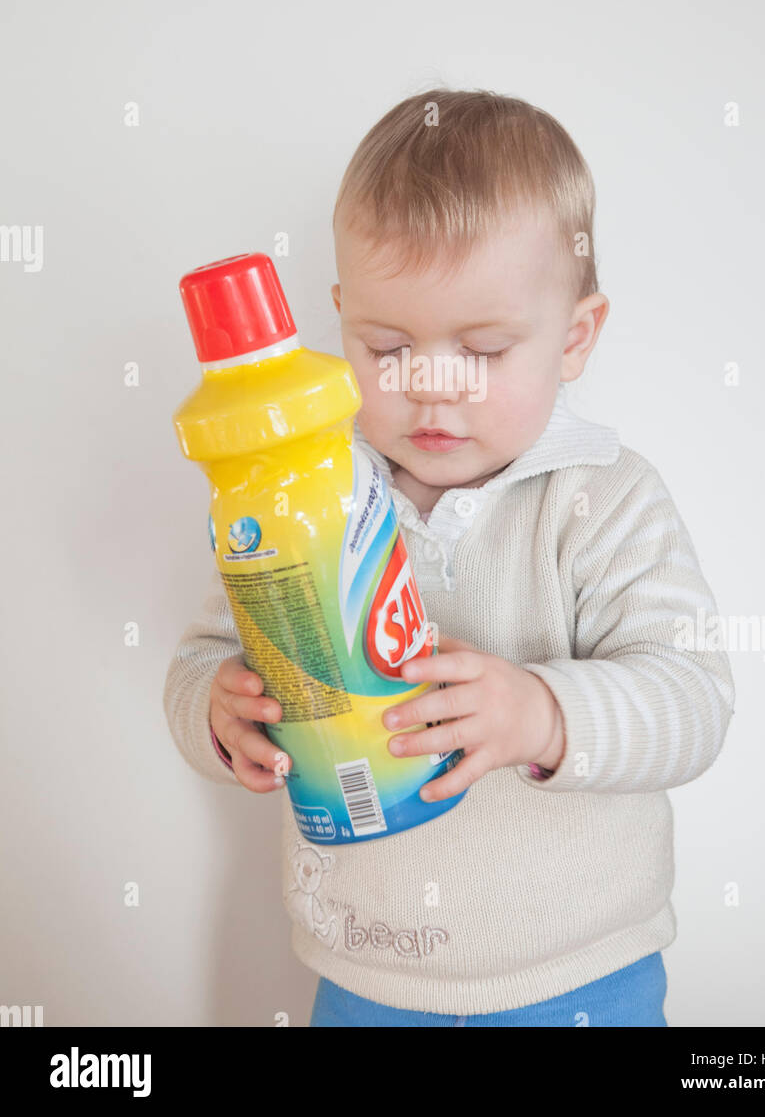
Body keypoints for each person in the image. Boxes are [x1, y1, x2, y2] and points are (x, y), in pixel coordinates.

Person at [164, 87, 735, 1027]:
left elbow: (695, 699)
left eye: (482, 350)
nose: (432, 389)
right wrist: (218, 711)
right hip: (365, 973)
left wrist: (546, 713)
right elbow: (200, 660)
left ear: (574, 338)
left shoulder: (603, 496)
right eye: (388, 349)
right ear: (342, 320)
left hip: (578, 975)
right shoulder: (299, 497)